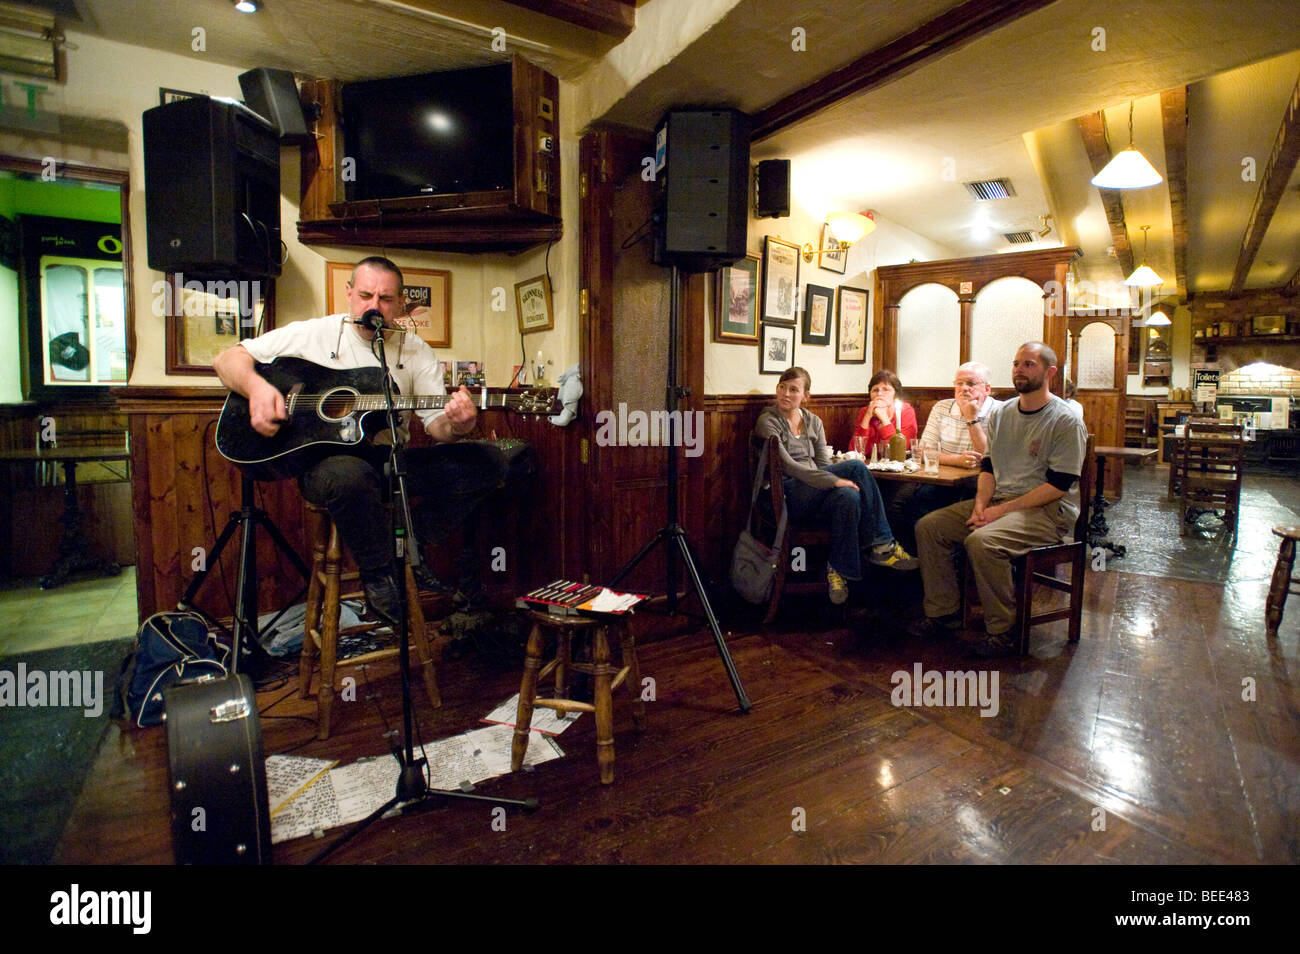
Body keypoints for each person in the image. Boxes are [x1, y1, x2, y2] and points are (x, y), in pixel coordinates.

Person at [213, 256, 505, 626]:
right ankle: (381, 574)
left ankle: (413, 546)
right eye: (365, 295)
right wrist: (256, 389)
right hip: (329, 467)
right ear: (349, 294)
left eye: (385, 299)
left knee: (489, 461)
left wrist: (459, 425)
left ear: (401, 304)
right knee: (347, 475)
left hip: (389, 462)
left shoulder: (415, 350)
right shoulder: (314, 334)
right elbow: (227, 360)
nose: (374, 307)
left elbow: (436, 428)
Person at [912, 342, 1087, 656]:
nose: (1020, 369)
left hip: (1047, 511)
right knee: (930, 526)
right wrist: (981, 504)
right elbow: (989, 466)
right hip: (1000, 502)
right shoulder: (1003, 413)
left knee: (983, 542)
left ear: (1050, 373)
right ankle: (944, 612)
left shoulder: (1065, 420)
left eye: (1029, 364)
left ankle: (1002, 630)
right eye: (1017, 363)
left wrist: (999, 512)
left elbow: (1058, 485)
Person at [753, 366, 918, 606]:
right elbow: (787, 467)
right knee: (855, 468)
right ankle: (882, 544)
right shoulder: (768, 421)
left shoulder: (813, 422)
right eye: (782, 387)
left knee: (848, 495)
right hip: (787, 494)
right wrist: (833, 479)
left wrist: (835, 481)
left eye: (793, 389)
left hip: (813, 492)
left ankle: (838, 570)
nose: (785, 394)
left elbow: (822, 463)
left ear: (805, 396)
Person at [890, 362, 998, 552]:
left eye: (971, 383)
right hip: (939, 478)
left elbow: (989, 457)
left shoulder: (1000, 411)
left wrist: (971, 418)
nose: (964, 389)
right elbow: (922, 451)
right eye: (959, 383)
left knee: (925, 510)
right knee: (897, 505)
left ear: (987, 388)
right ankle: (915, 561)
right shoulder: (942, 407)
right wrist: (957, 460)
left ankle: (942, 561)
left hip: (981, 483)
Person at [853, 369, 917, 458]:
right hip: (870, 464)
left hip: (898, 466)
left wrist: (884, 418)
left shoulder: (906, 412)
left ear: (896, 394)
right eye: (875, 390)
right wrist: (867, 416)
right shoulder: (865, 411)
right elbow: (855, 451)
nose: (879, 394)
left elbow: (899, 451)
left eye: (886, 390)